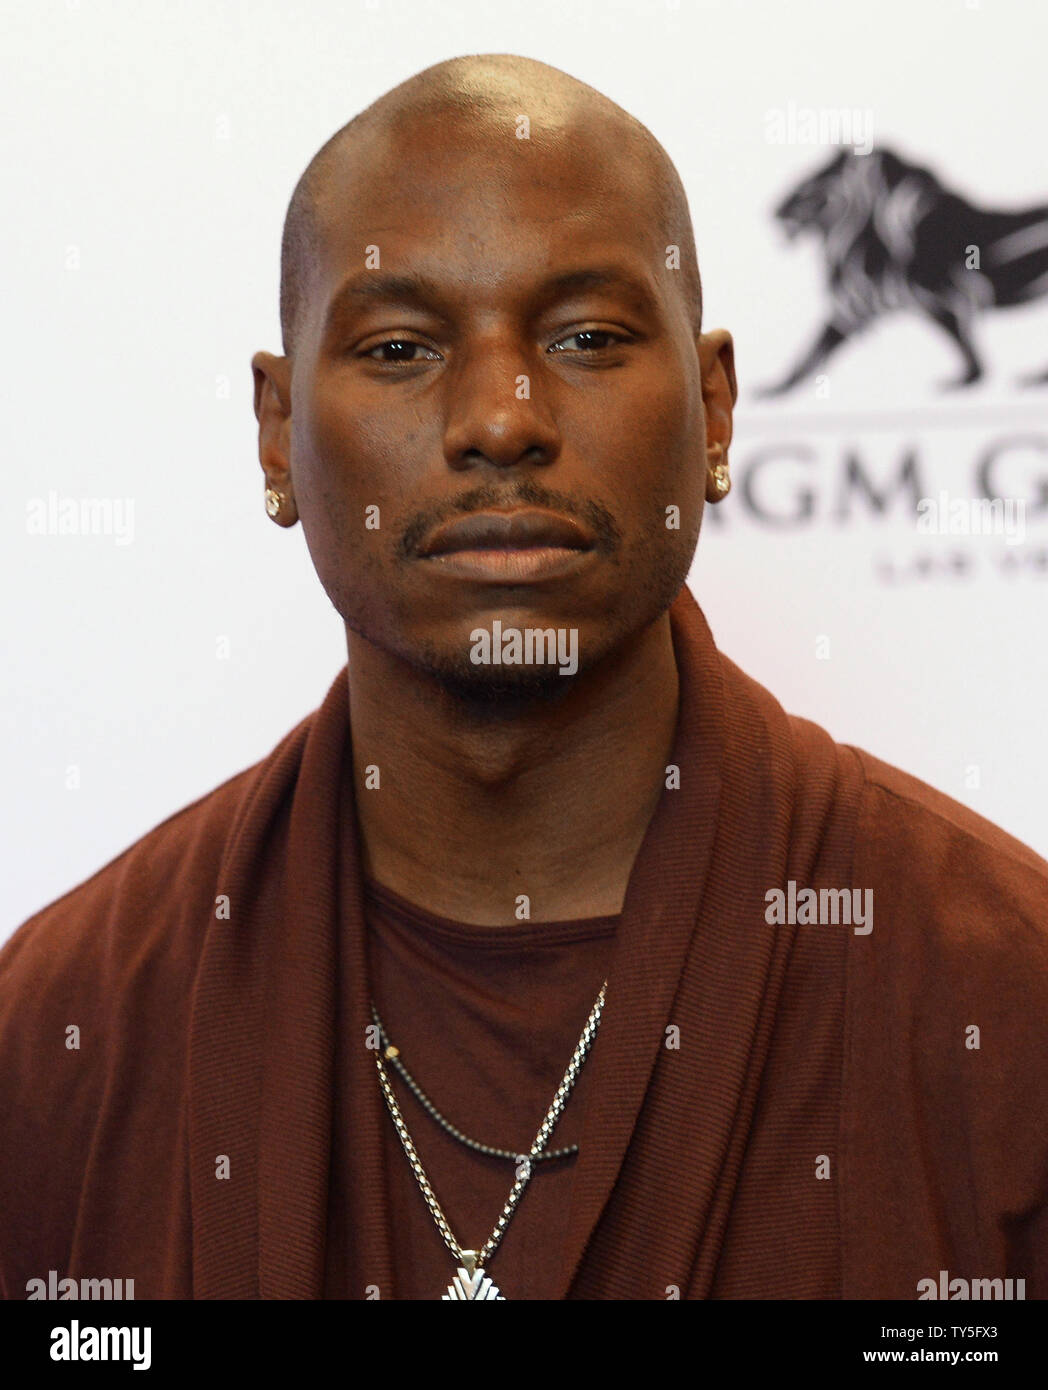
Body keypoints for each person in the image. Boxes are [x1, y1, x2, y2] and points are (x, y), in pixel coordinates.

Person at [2, 53, 1046, 1303]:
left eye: (587, 336)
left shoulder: (1004, 995)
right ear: (277, 434)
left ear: (715, 411)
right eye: (398, 348)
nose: (500, 418)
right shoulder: (64, 1031)